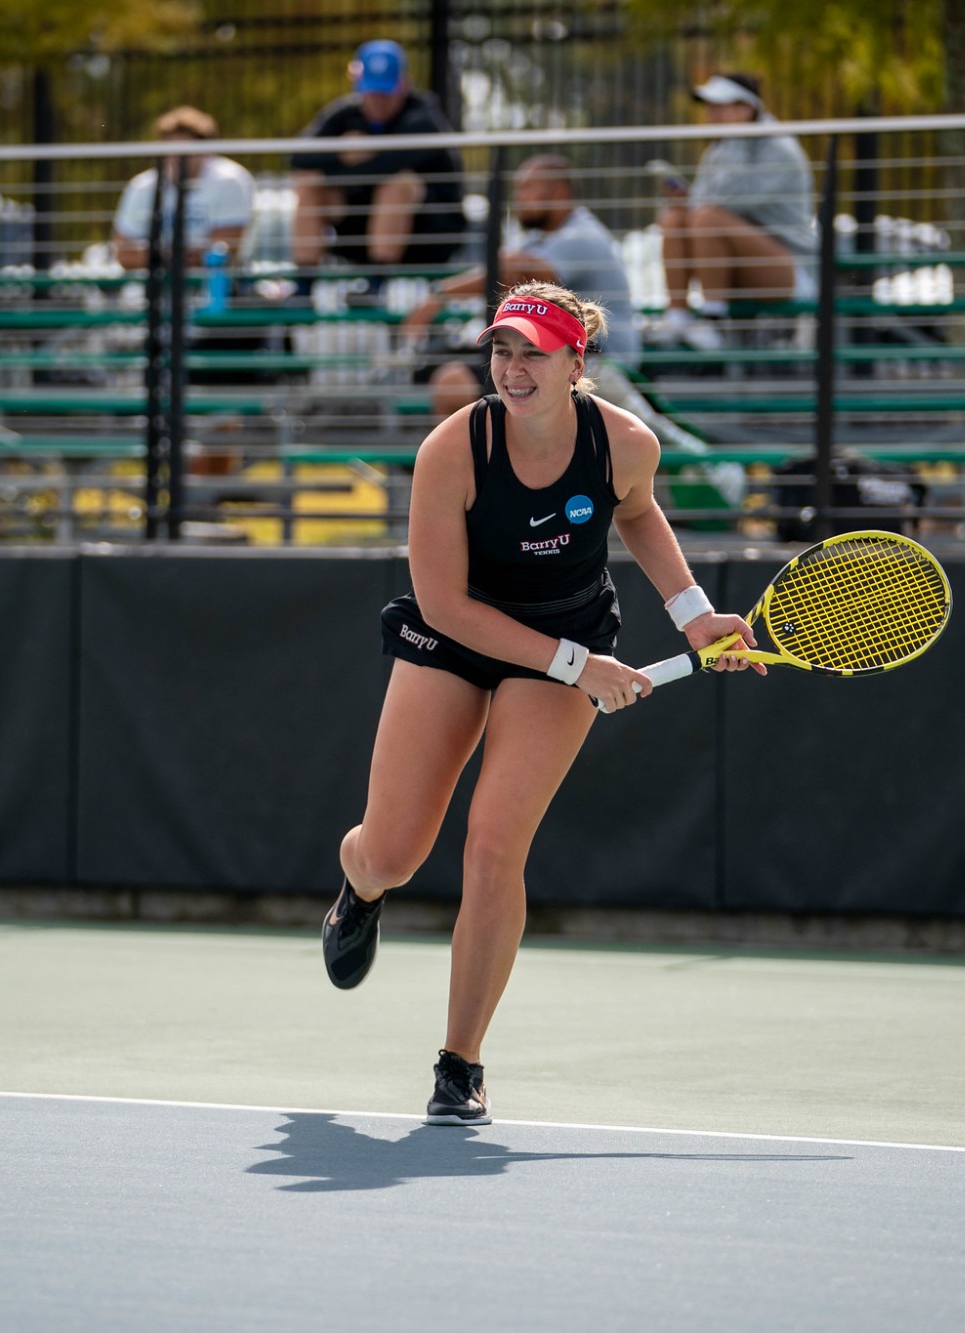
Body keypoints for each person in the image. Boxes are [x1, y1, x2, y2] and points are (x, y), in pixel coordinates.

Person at [320, 280, 764, 1126]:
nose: (513, 368)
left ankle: (460, 1062)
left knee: (494, 846)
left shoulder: (626, 444)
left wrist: (693, 613)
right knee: (394, 851)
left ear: (576, 362)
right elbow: (446, 606)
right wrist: (580, 664)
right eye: (502, 350)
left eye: (534, 352)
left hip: (566, 634)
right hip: (457, 637)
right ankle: (358, 885)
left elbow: (638, 515)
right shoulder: (452, 450)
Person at [401, 154, 642, 416]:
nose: (518, 197)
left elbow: (517, 270)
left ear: (559, 192)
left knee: (455, 383)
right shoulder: (537, 239)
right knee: (453, 378)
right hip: (547, 353)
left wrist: (438, 297)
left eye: (527, 187)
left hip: (598, 362)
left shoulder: (583, 235)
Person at [656, 73, 817, 346]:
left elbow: (723, 202)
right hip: (738, 261)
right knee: (674, 219)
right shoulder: (722, 148)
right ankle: (678, 318)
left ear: (747, 109)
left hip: (793, 271)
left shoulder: (779, 147)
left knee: (706, 218)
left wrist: (693, 202)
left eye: (720, 107)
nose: (711, 115)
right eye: (710, 108)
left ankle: (715, 322)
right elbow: (706, 204)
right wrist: (685, 203)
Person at [288, 39, 467, 273]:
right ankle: (305, 280)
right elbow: (297, 158)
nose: (378, 102)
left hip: (428, 233)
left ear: (404, 85)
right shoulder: (346, 112)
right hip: (360, 228)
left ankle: (378, 280)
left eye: (386, 93)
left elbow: (383, 169)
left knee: (398, 183)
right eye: (372, 92)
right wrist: (342, 154)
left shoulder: (423, 118)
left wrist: (353, 158)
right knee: (308, 181)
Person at [112, 106, 254, 272]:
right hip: (153, 288)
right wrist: (173, 257)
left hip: (217, 287)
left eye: (187, 150)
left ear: (206, 150)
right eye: (171, 149)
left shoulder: (231, 181)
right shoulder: (142, 186)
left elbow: (224, 252)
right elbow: (124, 254)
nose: (177, 158)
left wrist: (158, 257)